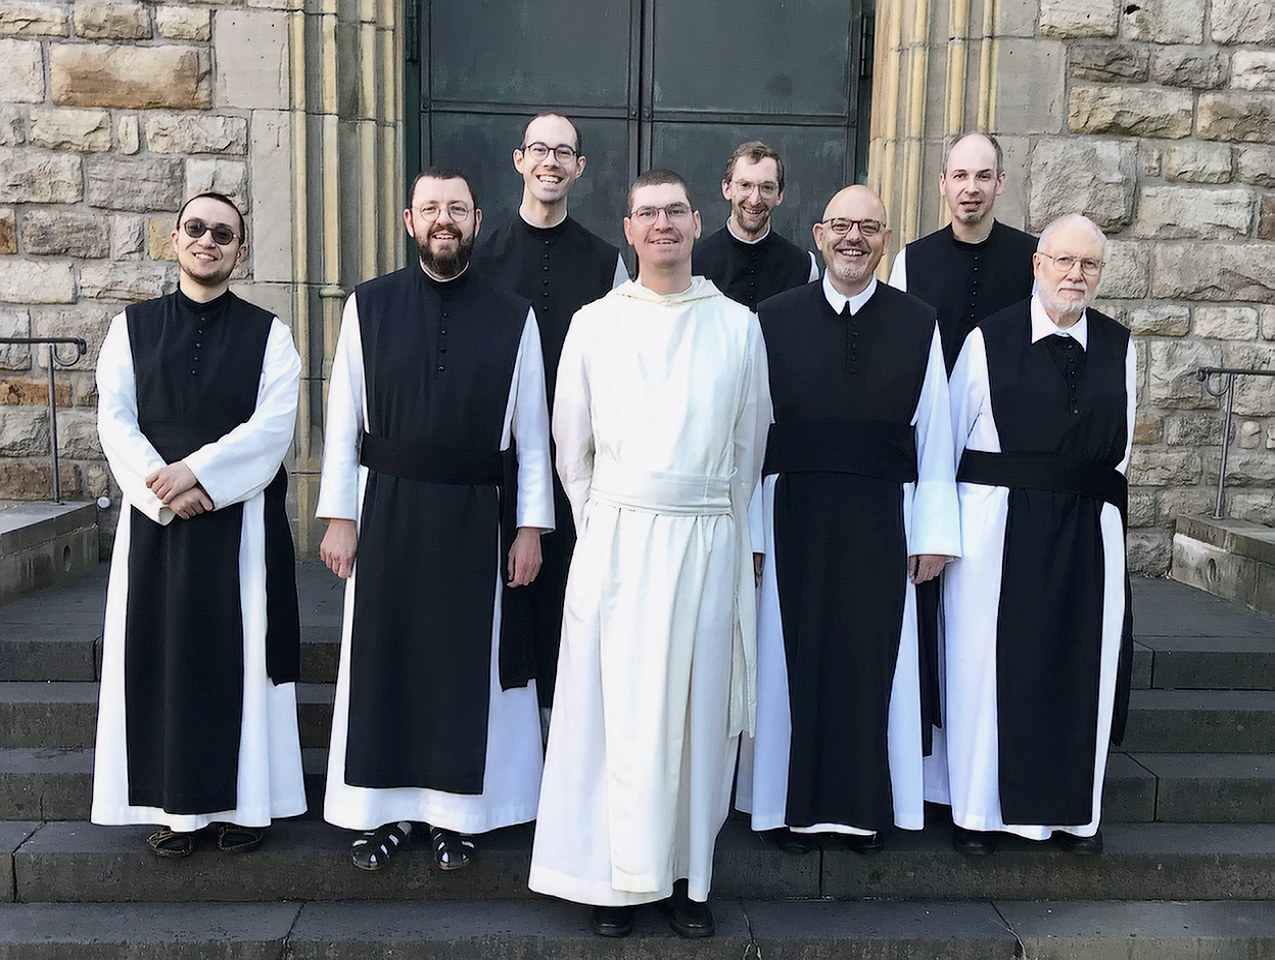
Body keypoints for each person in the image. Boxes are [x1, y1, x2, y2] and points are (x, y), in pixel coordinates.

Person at [529, 170, 770, 940]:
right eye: (646, 214)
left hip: (705, 542)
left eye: (673, 211)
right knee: (618, 716)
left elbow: (747, 449)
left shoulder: (736, 327)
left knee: (696, 716)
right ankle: (614, 880)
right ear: (628, 230)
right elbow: (572, 448)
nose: (661, 224)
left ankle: (687, 878)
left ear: (697, 222)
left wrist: (721, 531)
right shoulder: (594, 324)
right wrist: (607, 525)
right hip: (619, 543)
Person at [316, 166, 553, 873]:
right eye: (430, 208)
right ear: (409, 221)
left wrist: (530, 529)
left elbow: (533, 436)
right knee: (387, 663)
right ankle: (386, 814)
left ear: (477, 221)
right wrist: (339, 516)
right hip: (386, 510)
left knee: (463, 673)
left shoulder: (514, 316)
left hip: (477, 518)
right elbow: (342, 420)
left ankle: (458, 819)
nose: (442, 219)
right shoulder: (368, 306)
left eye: (456, 208)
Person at [736, 185, 959, 854]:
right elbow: (749, 435)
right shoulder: (772, 318)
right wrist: (750, 533)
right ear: (819, 235)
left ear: (886, 239)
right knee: (791, 660)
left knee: (871, 662)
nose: (852, 238)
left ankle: (862, 813)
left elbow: (935, 436)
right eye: (840, 225)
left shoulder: (918, 322)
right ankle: (788, 811)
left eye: (867, 227)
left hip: (881, 517)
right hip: (792, 516)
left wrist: (932, 534)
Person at [92, 191, 305, 858]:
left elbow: (272, 427)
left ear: (240, 250)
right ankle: (173, 810)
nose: (207, 240)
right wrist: (164, 487)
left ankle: (247, 806)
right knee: (160, 659)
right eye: (196, 228)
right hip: (155, 524)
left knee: (239, 659)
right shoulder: (131, 328)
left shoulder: (270, 334)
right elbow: (114, 419)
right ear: (175, 238)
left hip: (239, 524)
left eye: (223, 233)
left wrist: (199, 476)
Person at [944, 214, 1135, 857]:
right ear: (1038, 265)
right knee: (987, 669)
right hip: (997, 531)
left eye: (1089, 264)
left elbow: (1121, 454)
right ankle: (978, 813)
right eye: (1064, 261)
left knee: (1081, 668)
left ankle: (1074, 817)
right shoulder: (988, 341)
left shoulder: (1120, 346)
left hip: (1087, 532)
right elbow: (949, 442)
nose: (1075, 275)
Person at [887, 132, 1037, 803]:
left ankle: (983, 772)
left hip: (1001, 473)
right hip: (924, 460)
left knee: (986, 625)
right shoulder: (911, 261)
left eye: (983, 176)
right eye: (959, 175)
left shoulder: (1033, 259)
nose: (970, 188)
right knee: (922, 615)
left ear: (1000, 182)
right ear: (941, 182)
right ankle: (923, 775)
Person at [472, 113, 627, 725]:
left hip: (579, 467)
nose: (550, 162)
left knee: (571, 602)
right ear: (519, 160)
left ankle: (565, 735)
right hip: (497, 464)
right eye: (540, 149)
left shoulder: (606, 262)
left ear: (579, 168)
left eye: (564, 152)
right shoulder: (479, 256)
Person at [692, 141, 819, 311]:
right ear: (727, 189)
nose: (754, 200)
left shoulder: (804, 266)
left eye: (767, 188)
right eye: (745, 185)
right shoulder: (693, 263)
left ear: (779, 194)